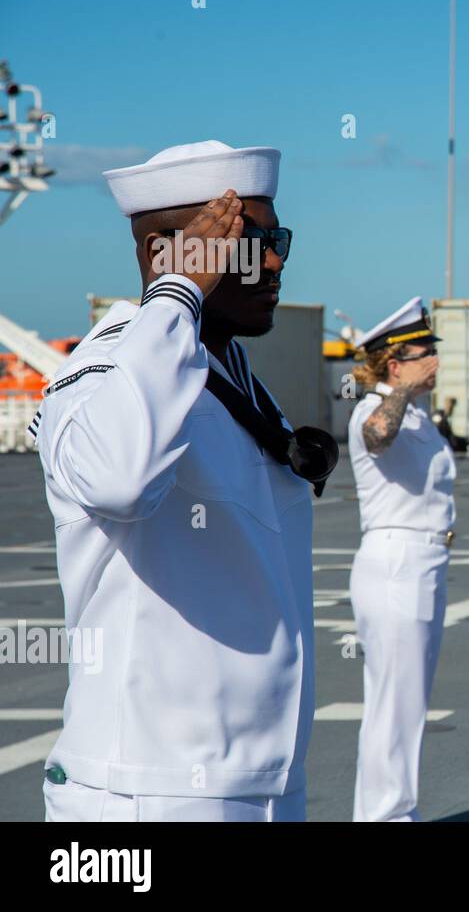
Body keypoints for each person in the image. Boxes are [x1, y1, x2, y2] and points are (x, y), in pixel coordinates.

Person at [36, 141, 328, 821]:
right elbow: (121, 479)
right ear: (174, 251)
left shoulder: (230, 382)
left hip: (257, 784)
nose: (279, 259)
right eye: (251, 240)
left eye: (279, 237)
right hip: (150, 791)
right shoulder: (105, 373)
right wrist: (175, 295)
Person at [347, 297, 455, 822]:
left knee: (403, 705)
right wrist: (404, 391)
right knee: (396, 707)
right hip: (398, 561)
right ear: (395, 364)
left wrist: (411, 394)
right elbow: (377, 438)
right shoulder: (376, 408)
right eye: (424, 352)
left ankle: (391, 814)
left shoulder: (416, 414)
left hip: (421, 560)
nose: (434, 360)